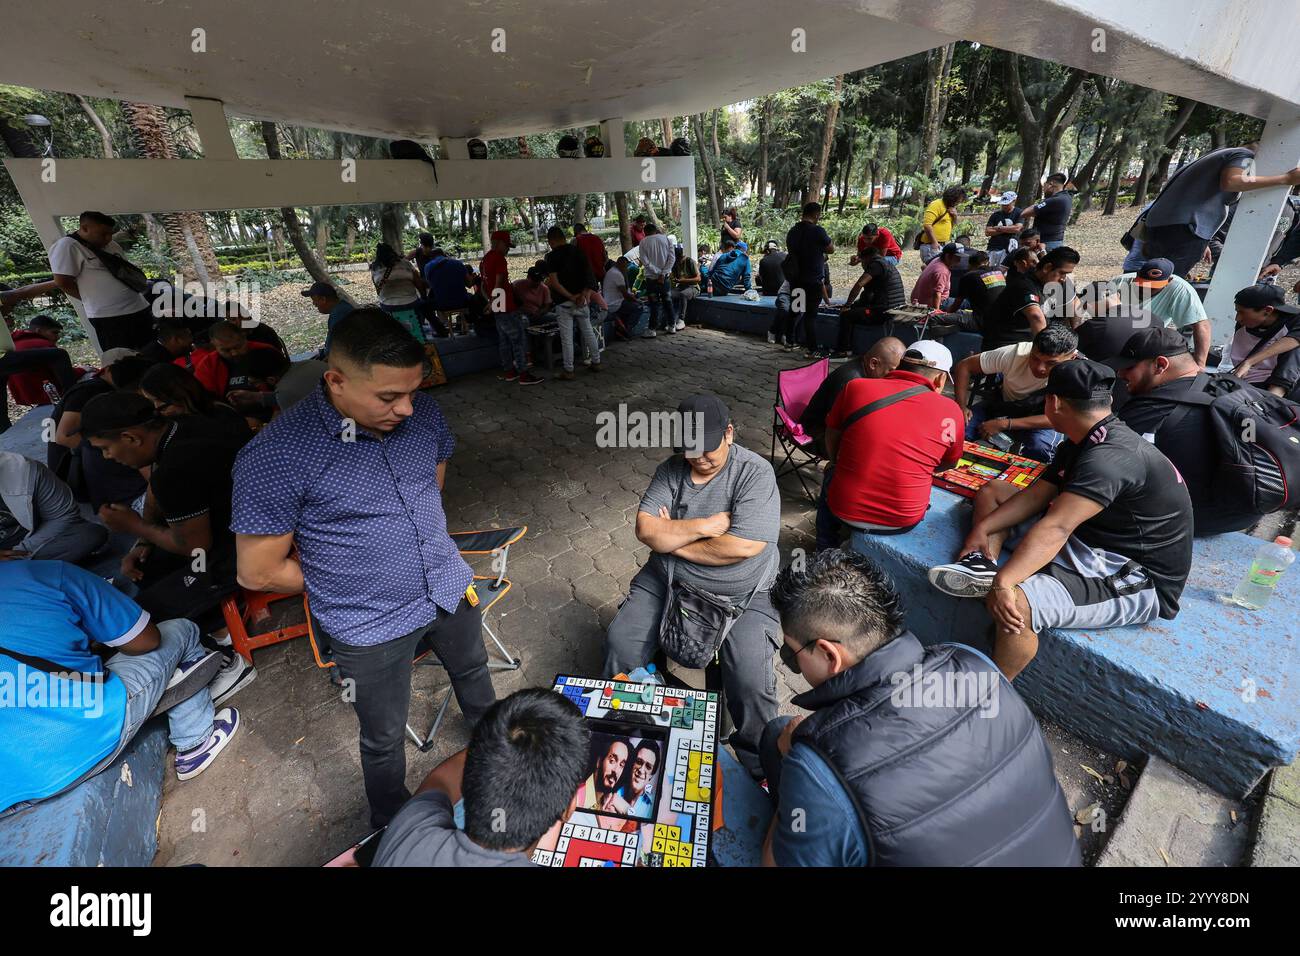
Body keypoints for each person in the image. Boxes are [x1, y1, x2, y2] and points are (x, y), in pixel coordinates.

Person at [231, 309, 497, 828]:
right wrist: (344, 574)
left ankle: (495, 755)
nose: (406, 410)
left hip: (447, 586)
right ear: (335, 381)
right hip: (367, 624)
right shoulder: (276, 456)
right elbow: (256, 572)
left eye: (413, 393)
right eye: (387, 398)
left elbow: (432, 487)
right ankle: (392, 824)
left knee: (474, 674)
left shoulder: (425, 416)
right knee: (383, 737)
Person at [760, 548, 1080, 867]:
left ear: (829, 655)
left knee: (779, 735)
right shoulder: (976, 664)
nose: (793, 665)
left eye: (792, 655)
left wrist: (796, 767)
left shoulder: (817, 764)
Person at [928, 360, 1193, 679]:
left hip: (1133, 574)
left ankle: (990, 698)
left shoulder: (1109, 458)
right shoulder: (1087, 437)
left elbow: (1056, 527)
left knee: (1017, 605)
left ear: (1053, 402)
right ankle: (983, 565)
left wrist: (1005, 583)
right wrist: (983, 529)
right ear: (1106, 401)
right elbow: (1038, 495)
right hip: (1089, 540)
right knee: (996, 492)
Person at [604, 394, 781, 779]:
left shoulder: (755, 473)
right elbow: (646, 530)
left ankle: (758, 767)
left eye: (707, 450)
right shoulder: (670, 470)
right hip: (668, 582)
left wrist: (674, 540)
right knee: (621, 642)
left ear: (729, 433)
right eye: (689, 450)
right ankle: (627, 736)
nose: (698, 459)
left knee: (751, 680)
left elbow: (743, 546)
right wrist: (705, 526)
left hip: (743, 596)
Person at [0, 561, 240, 816]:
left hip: (9, 795)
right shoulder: (44, 574)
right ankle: (196, 740)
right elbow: (146, 640)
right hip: (84, 743)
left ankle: (178, 681)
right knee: (179, 629)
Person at [372, 689, 590, 867]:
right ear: (568, 808)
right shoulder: (413, 823)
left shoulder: (410, 830)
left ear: (468, 781)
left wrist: (500, 743)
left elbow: (440, 780)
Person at [1115, 327, 1261, 536]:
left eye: (1129, 367)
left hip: (1196, 517)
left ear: (1161, 365)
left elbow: (1105, 457)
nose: (1121, 374)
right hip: (1244, 513)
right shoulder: (1232, 386)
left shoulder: (1153, 406)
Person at [817, 341, 963, 550]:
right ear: (940, 379)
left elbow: (831, 434)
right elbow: (950, 463)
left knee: (831, 472)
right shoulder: (952, 410)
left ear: (901, 365)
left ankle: (823, 546)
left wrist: (835, 461)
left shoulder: (856, 387)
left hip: (843, 508)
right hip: (902, 520)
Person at [1143, 143, 1300, 278]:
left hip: (1166, 225)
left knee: (1153, 278)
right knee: (1163, 285)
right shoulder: (1245, 154)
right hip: (1185, 228)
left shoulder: (1218, 156)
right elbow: (1232, 181)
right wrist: (1285, 178)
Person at [953, 324, 1077, 462]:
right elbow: (964, 366)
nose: (1040, 368)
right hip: (1006, 406)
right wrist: (961, 406)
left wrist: (1005, 424)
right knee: (957, 428)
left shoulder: (1079, 374)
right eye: (1035, 358)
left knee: (1040, 448)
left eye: (1051, 363)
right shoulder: (1015, 354)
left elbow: (1061, 419)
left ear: (1072, 358)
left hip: (1044, 420)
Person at [49, 354, 151, 510]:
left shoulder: (99, 388)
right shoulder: (91, 391)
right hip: (72, 470)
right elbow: (63, 437)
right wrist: (111, 448)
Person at [48, 211, 153, 351]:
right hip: (110, 317)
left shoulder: (112, 245)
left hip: (139, 307)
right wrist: (92, 299)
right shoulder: (68, 246)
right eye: (103, 234)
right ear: (85, 228)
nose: (108, 238)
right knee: (123, 360)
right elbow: (62, 282)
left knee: (150, 351)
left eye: (110, 233)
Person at [798, 336, 905, 457]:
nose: (895, 377)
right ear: (873, 363)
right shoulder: (851, 382)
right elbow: (836, 428)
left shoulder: (865, 371)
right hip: (817, 434)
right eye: (891, 371)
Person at [0, 452, 107, 563]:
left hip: (35, 543)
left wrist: (18, 553)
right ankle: (27, 570)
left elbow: (64, 516)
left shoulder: (25, 471)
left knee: (89, 535)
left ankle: (20, 570)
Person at [1104, 258, 1211, 367]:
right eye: (1143, 284)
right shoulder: (1119, 282)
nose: (1147, 289)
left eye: (1153, 287)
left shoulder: (1181, 289)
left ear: (1169, 281)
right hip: (1116, 336)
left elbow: (1201, 326)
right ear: (1136, 276)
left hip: (1148, 339)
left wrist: (1200, 366)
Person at [980, 246, 1081, 350]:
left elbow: (1075, 303)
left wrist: (1075, 336)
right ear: (1047, 268)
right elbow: (1036, 317)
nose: (1064, 278)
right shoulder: (1023, 285)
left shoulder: (1059, 281)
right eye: (1062, 273)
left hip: (1035, 341)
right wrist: (1047, 351)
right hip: (1007, 346)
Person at [480, 230, 542, 386]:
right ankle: (523, 374)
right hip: (506, 304)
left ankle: (509, 371)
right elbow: (499, 282)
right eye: (507, 245)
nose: (508, 249)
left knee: (504, 340)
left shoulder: (485, 259)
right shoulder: (499, 259)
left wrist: (491, 302)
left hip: (497, 305)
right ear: (500, 243)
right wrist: (493, 301)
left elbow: (483, 285)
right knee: (518, 338)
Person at [138, 362, 253, 444]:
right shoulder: (174, 423)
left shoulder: (221, 416)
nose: (157, 407)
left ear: (180, 391)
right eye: (152, 401)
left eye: (160, 399)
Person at [543, 227, 602, 380]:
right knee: (588, 331)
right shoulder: (578, 251)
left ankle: (569, 370)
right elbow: (590, 276)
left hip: (564, 303)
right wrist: (582, 294)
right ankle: (596, 362)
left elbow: (554, 283)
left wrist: (570, 297)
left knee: (566, 338)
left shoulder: (551, 257)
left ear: (552, 241)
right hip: (582, 300)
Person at [1226, 283, 1300, 397]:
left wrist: (1250, 362)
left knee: (1296, 348)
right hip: (1246, 380)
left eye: (1242, 312)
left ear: (1267, 310)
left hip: (1284, 385)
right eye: (1237, 311)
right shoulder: (1246, 322)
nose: (1237, 318)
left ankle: (1273, 398)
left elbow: (1294, 339)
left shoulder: (1294, 321)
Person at [835, 247, 906, 356]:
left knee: (846, 316)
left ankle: (843, 351)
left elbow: (859, 284)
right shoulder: (885, 264)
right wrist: (853, 305)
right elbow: (866, 297)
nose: (863, 266)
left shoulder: (876, 266)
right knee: (854, 311)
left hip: (885, 311)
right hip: (896, 308)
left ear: (866, 259)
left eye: (862, 262)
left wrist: (847, 305)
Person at [785, 202, 835, 356]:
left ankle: (790, 342)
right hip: (813, 280)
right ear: (816, 214)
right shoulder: (818, 231)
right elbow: (831, 249)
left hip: (796, 279)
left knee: (795, 311)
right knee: (810, 315)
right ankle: (812, 349)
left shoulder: (792, 231)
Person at [185, 320, 280, 399]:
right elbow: (207, 400)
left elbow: (287, 388)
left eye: (238, 347)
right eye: (226, 350)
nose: (234, 353)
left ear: (244, 337)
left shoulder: (266, 352)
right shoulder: (208, 365)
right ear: (214, 346)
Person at [371, 242, 428, 343]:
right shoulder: (405, 264)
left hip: (388, 306)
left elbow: (378, 292)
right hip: (411, 303)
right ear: (393, 252)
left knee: (393, 330)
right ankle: (421, 336)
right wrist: (424, 297)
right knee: (422, 309)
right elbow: (419, 284)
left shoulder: (375, 268)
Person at [946, 250, 1006, 323]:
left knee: (938, 317)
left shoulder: (969, 276)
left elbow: (956, 305)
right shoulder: (998, 271)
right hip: (1003, 317)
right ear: (988, 263)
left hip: (983, 321)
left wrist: (945, 314)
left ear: (970, 265)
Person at [576, 736, 632, 814]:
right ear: (599, 762)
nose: (616, 770)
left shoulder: (610, 802)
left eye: (621, 765)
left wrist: (628, 809)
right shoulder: (576, 798)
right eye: (612, 760)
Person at [639, 223, 677, 333]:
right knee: (668, 302)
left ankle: (652, 329)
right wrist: (663, 274)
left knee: (654, 304)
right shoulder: (666, 239)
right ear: (656, 230)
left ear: (645, 232)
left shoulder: (643, 242)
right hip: (664, 278)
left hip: (651, 279)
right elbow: (672, 259)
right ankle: (671, 326)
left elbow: (645, 262)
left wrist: (657, 273)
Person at [603, 257, 653, 340]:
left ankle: (622, 327)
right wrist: (637, 301)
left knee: (632, 304)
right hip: (614, 303)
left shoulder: (614, 271)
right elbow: (625, 294)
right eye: (624, 266)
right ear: (620, 264)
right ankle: (625, 330)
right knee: (638, 307)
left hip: (614, 301)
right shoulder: (617, 274)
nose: (626, 269)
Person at [1018, 173, 1072, 250]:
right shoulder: (1066, 197)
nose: (1043, 189)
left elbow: (1024, 213)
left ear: (1050, 184)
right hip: (1056, 240)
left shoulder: (1054, 200)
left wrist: (1039, 204)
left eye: (1044, 185)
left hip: (1047, 243)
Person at [303, 281, 354, 357]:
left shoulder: (339, 315)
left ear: (323, 299)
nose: (314, 304)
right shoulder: (341, 308)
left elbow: (333, 350)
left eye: (314, 300)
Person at [919, 186, 965, 263]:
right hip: (931, 245)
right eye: (957, 201)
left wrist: (955, 216)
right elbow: (927, 225)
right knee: (934, 269)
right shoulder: (936, 204)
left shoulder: (951, 207)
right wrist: (934, 242)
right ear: (952, 197)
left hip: (943, 244)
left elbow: (953, 225)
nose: (958, 203)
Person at [910, 243, 961, 311]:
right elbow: (937, 294)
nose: (959, 261)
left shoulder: (937, 260)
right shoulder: (942, 271)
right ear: (948, 256)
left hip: (918, 299)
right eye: (957, 258)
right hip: (931, 303)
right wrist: (936, 312)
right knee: (967, 303)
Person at [618, 740, 659, 818]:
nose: (641, 770)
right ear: (632, 763)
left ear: (651, 776)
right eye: (639, 762)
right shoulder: (615, 791)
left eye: (648, 766)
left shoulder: (651, 808)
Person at [985, 190, 1022, 265]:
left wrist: (998, 228)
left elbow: (1017, 228)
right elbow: (988, 231)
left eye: (1007, 204)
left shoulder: (1018, 212)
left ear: (1013, 201)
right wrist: (1009, 229)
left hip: (1009, 248)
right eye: (1003, 204)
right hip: (993, 247)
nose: (1004, 206)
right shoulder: (995, 215)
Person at [670, 245, 702, 327]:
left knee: (683, 294)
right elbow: (674, 279)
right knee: (668, 294)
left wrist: (683, 280)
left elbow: (698, 279)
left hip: (693, 287)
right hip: (681, 286)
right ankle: (671, 320)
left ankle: (681, 320)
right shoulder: (674, 264)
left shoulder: (689, 261)